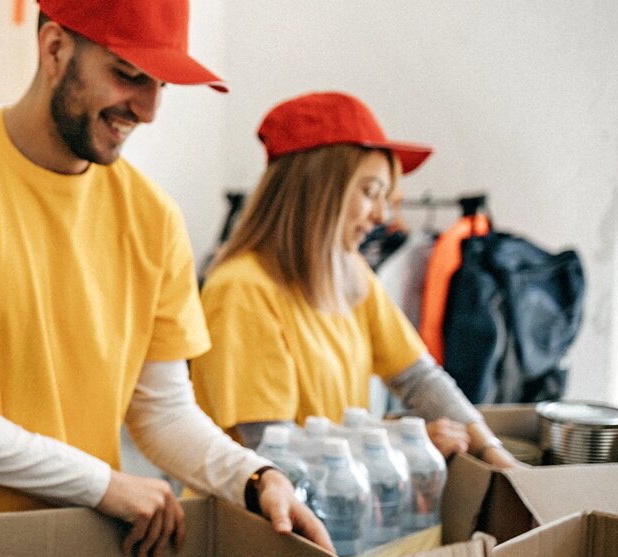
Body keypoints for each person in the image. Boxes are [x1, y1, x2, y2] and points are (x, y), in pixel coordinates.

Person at [0, 0, 333, 557]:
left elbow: (162, 410)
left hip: (61, 556)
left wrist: (254, 477)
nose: (148, 110)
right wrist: (103, 484)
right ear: (54, 49)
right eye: (129, 75)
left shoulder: (153, 219)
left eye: (161, 85)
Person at [190, 91, 519, 469]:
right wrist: (404, 445)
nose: (383, 215)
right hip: (249, 521)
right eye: (369, 192)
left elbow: (418, 377)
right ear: (315, 190)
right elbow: (269, 448)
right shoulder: (242, 290)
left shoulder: (349, 273)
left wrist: (495, 453)